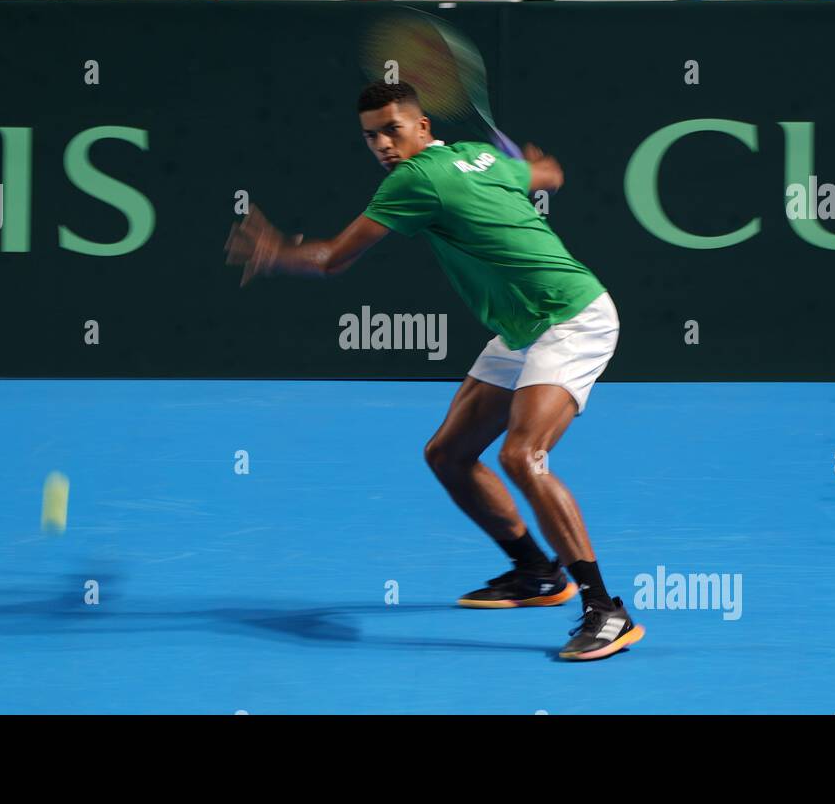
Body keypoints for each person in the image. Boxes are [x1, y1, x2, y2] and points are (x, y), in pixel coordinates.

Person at [224, 82, 645, 661]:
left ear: (422, 127)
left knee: (523, 456)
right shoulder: (483, 157)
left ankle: (605, 610)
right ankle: (536, 572)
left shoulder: (415, 180)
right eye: (371, 135)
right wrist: (538, 168)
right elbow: (548, 176)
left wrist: (277, 252)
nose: (382, 144)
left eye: (392, 129)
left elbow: (331, 260)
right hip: (522, 327)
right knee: (447, 453)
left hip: (571, 318)